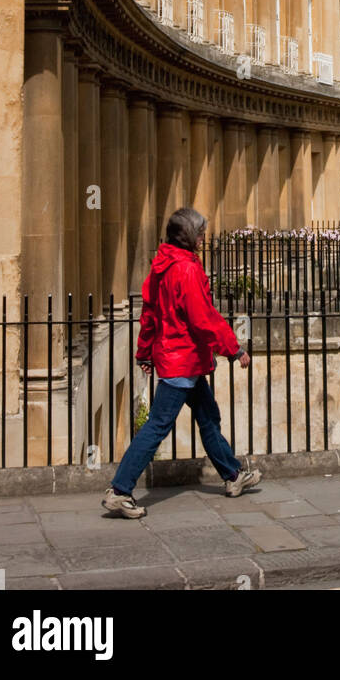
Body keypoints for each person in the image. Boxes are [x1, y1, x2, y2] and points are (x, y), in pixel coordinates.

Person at [102, 206, 261, 519]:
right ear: (190, 236)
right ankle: (120, 491)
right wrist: (233, 349)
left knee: (208, 417)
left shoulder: (163, 264)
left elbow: (150, 313)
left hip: (179, 358)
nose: (204, 238)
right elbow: (203, 318)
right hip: (182, 361)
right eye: (200, 232)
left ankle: (232, 475)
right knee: (157, 426)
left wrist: (145, 352)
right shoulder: (186, 270)